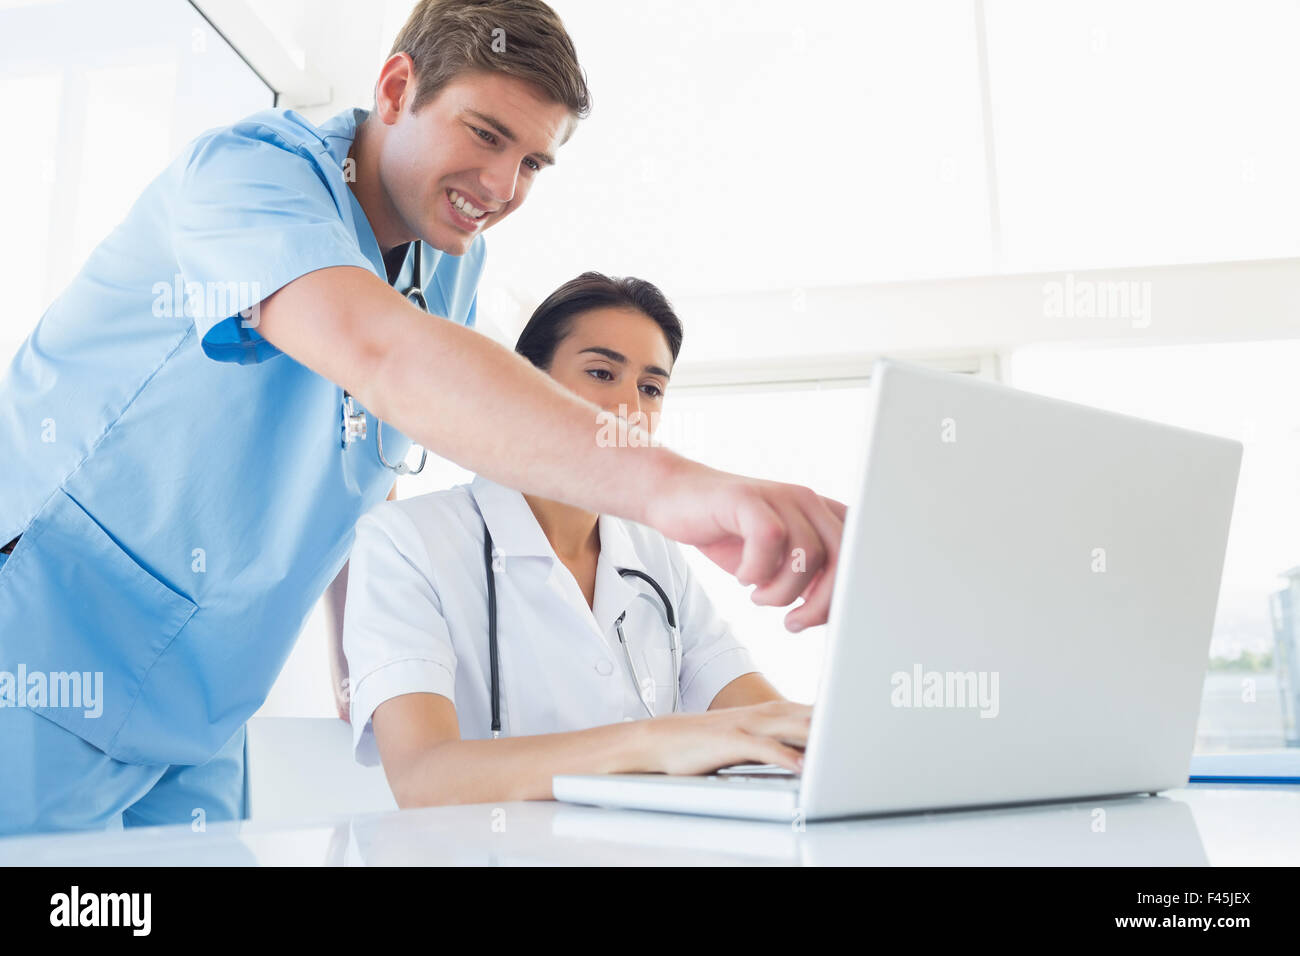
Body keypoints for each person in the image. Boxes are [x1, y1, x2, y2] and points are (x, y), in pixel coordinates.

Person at [0, 0, 841, 836]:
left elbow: (355, 452)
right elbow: (383, 357)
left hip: (205, 697)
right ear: (397, 88)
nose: (503, 189)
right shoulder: (246, 179)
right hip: (49, 645)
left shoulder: (449, 266)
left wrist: (351, 632)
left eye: (534, 164)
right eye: (485, 134)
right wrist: (674, 490)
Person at [341, 273, 811, 806]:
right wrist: (656, 742)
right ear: (523, 383)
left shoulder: (654, 554)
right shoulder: (407, 541)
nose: (629, 408)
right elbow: (423, 777)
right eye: (601, 372)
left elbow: (763, 721)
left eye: (650, 388)